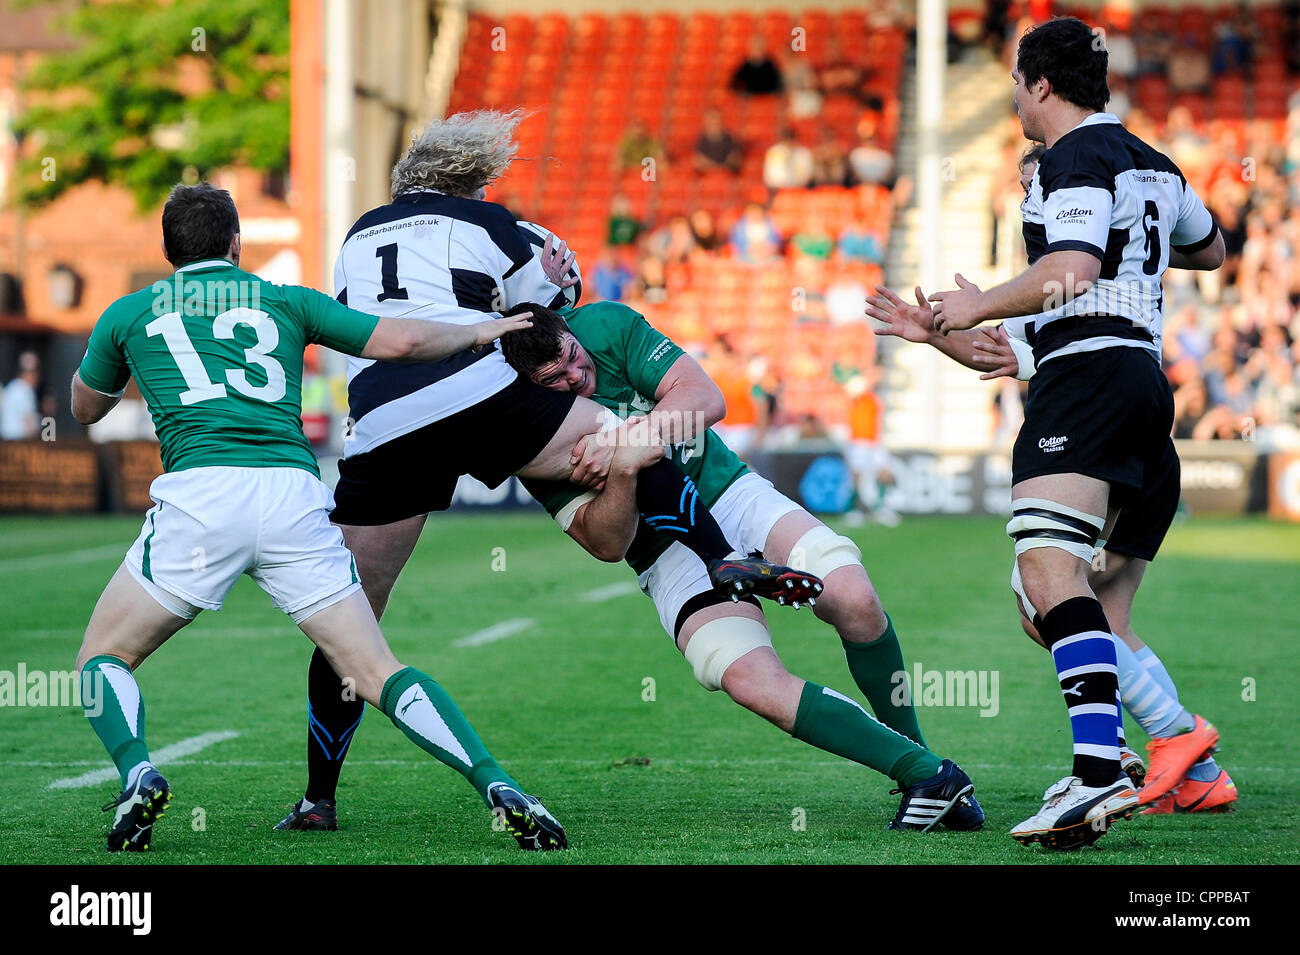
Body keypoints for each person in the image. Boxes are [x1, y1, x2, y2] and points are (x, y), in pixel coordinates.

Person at [277, 111, 820, 830]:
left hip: (384, 419)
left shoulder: (356, 235)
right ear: (469, 179)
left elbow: (363, 326)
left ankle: (319, 797)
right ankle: (724, 560)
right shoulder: (492, 222)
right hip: (476, 391)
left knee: (348, 626)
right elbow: (548, 312)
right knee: (630, 441)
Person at [69, 182, 568, 853]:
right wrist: (483, 327)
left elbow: (84, 409)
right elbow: (402, 339)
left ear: (167, 250)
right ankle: (499, 784)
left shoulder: (128, 314)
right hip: (291, 497)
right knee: (374, 670)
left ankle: (138, 774)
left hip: (200, 498)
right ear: (237, 244)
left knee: (103, 656)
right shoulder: (287, 301)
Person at [500, 301, 985, 832]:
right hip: (660, 550)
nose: (575, 377)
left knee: (856, 600)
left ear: (571, 332)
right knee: (745, 678)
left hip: (727, 491)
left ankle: (921, 764)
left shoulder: (606, 326)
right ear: (527, 384)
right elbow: (606, 544)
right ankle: (931, 775)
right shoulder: (524, 426)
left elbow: (705, 398)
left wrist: (625, 440)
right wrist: (623, 472)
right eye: (555, 379)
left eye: (572, 358)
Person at [917, 18, 1225, 848]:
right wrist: (942, 330)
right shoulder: (1152, 162)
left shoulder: (1074, 158)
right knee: (1069, 605)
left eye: (1018, 83)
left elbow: (1071, 270)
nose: (1016, 96)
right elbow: (1212, 247)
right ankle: (1182, 765)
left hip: (1089, 381)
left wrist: (978, 299)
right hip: (1134, 378)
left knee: (1045, 573)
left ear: (1040, 86)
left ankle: (1097, 775)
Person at [1, 350, 40, 440]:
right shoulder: (25, 390)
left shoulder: (11, 387)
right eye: (35, 371)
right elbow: (29, 427)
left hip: (5, 444)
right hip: (19, 445)